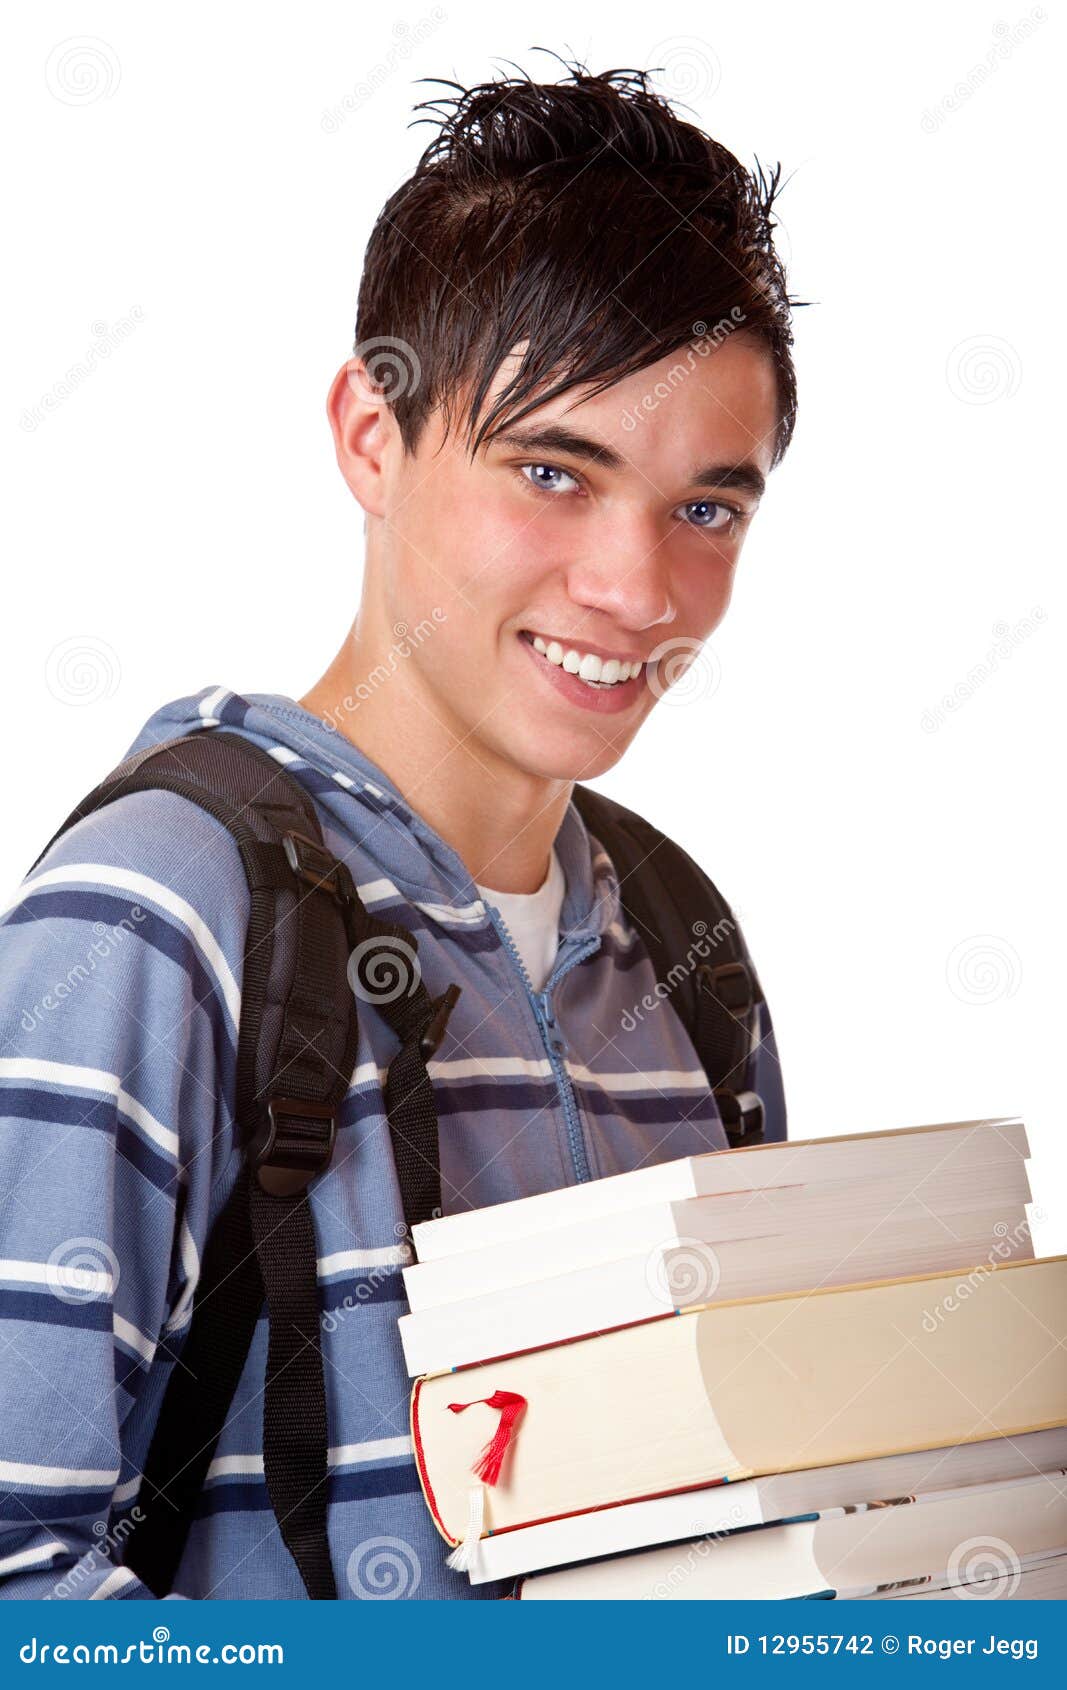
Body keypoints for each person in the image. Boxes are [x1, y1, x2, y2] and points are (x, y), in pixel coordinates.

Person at [0, 58, 794, 1600]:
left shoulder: (684, 949)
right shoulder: (156, 914)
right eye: (555, 471)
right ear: (373, 431)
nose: (635, 591)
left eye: (708, 507)